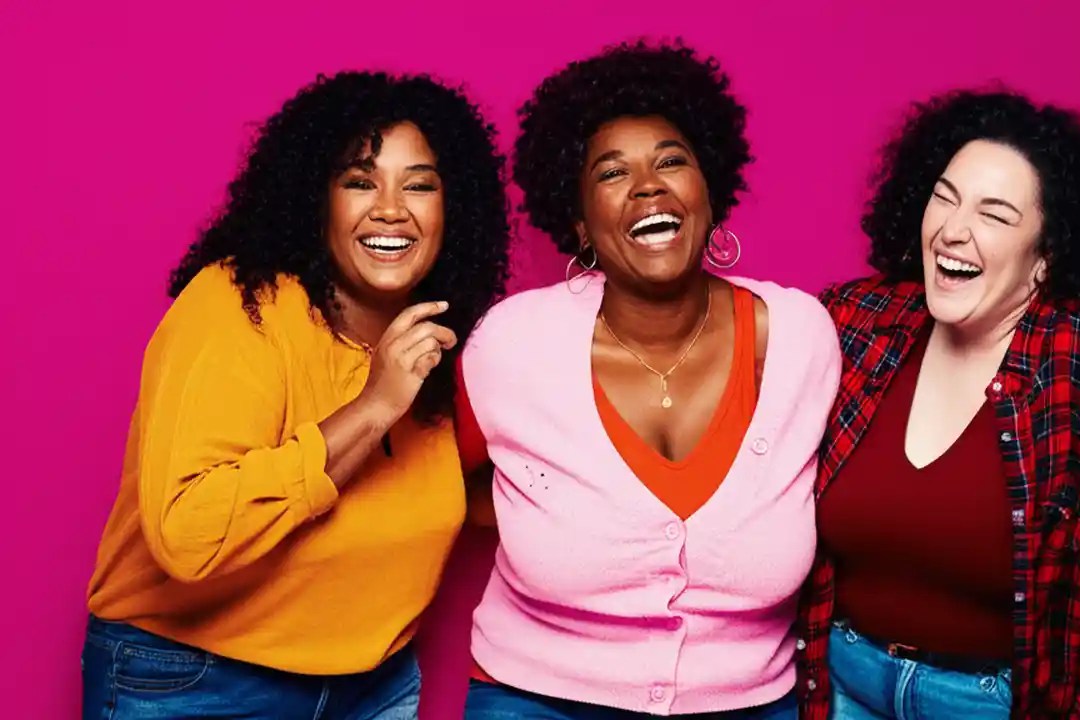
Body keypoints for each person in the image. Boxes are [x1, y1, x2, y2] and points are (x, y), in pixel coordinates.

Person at [82, 71, 510, 719]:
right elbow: (187, 535)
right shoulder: (238, 306)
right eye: (359, 182)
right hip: (199, 682)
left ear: (455, 209)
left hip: (373, 684)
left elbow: (472, 494)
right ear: (317, 198)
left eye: (419, 184)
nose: (391, 207)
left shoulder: (445, 335)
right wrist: (372, 407)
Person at [797, 89, 1080, 719]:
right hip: (842, 685)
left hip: (990, 704)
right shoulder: (855, 326)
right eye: (945, 196)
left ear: (1043, 259)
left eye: (995, 215)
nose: (953, 229)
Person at [456, 40, 840, 718]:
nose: (648, 185)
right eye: (612, 172)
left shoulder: (802, 336)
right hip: (536, 701)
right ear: (578, 221)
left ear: (710, 193)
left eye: (672, 162)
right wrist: (543, 510)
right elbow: (441, 485)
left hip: (750, 705)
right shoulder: (511, 344)